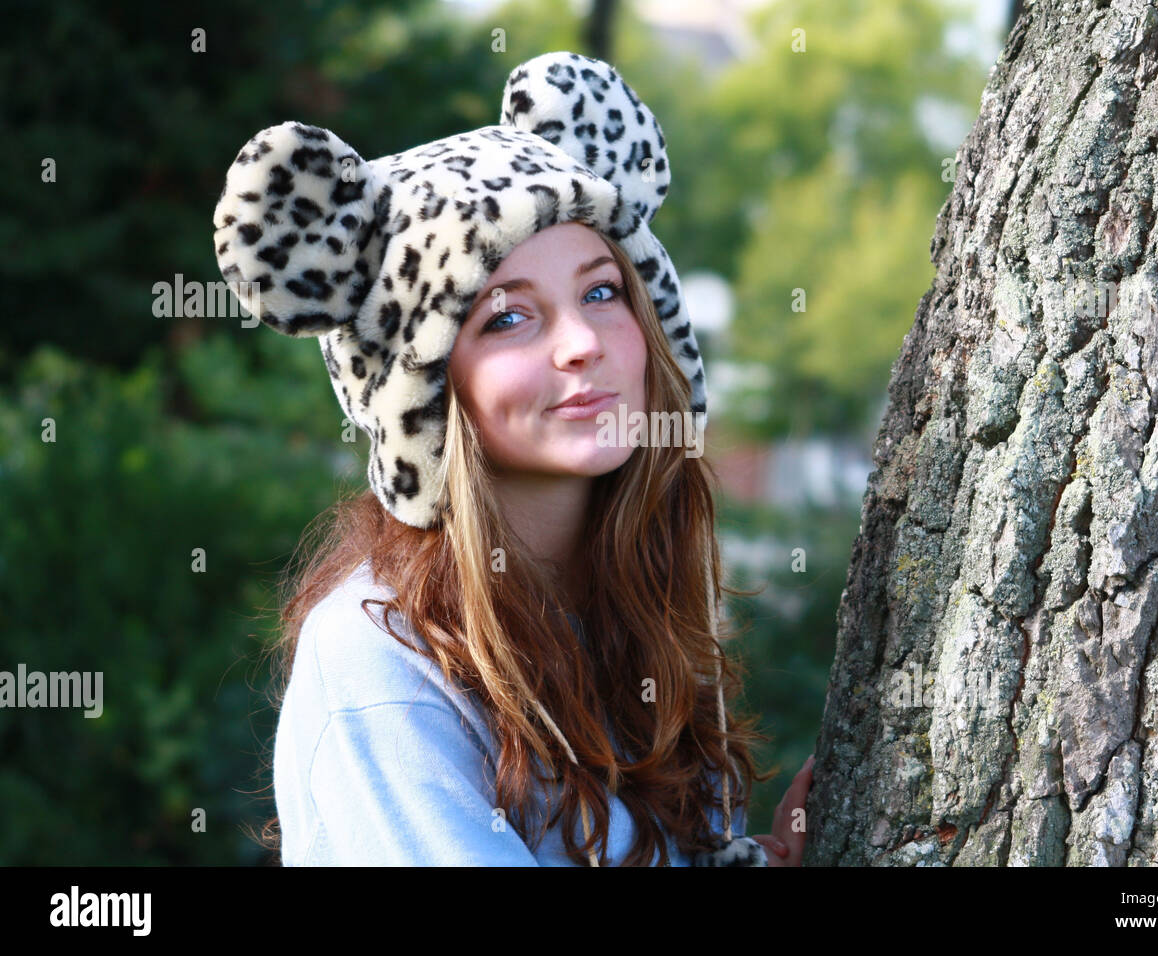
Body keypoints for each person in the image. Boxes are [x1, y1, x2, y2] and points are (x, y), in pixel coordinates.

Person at [215, 51, 813, 866]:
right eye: (507, 318)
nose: (582, 344)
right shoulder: (379, 668)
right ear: (418, 390)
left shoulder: (637, 601)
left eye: (602, 292)